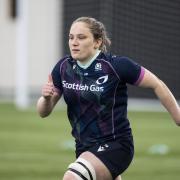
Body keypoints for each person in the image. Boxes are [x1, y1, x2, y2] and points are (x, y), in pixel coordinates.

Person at [37, 16, 180, 180]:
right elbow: (43, 112)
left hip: (116, 145)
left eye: (81, 37)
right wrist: (46, 98)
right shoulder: (63, 67)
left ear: (97, 42)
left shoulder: (116, 65)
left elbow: (157, 84)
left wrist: (177, 116)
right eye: (71, 37)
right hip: (84, 147)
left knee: (72, 177)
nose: (74, 42)